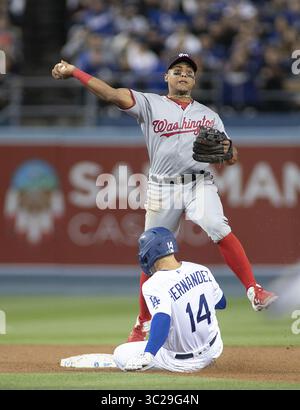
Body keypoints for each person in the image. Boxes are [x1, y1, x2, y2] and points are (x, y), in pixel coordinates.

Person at [52, 52, 278, 342]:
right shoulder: (149, 104)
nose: (183, 74)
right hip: (162, 186)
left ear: (194, 81)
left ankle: (254, 291)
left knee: (217, 226)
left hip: (199, 183)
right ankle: (142, 323)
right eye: (177, 70)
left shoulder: (209, 116)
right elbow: (110, 94)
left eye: (189, 72)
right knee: (152, 255)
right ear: (166, 77)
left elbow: (231, 156)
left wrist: (228, 153)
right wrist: (74, 71)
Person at [113, 226, 226, 372]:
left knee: (120, 353)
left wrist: (148, 354)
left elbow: (162, 320)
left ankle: (154, 364)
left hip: (181, 362)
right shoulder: (201, 269)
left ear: (151, 253)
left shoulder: (153, 284)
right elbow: (221, 303)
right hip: (213, 349)